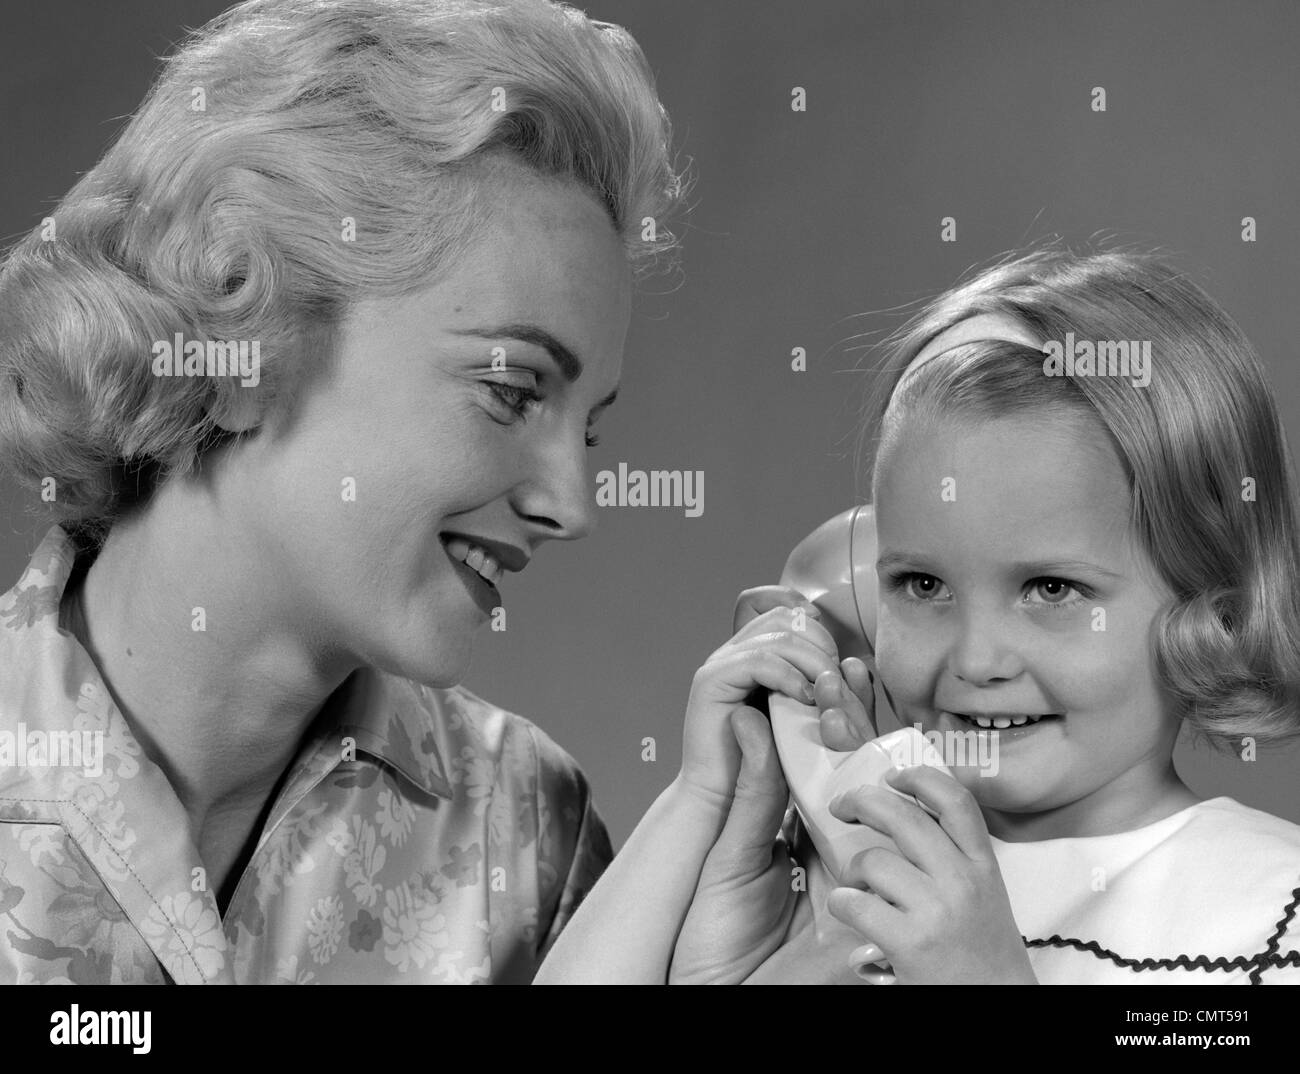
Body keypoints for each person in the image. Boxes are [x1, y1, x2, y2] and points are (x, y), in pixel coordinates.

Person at [0, 0, 683, 984]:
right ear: (246, 332)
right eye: (511, 389)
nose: (571, 505)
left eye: (590, 427)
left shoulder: (529, 835)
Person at [539, 247, 1300, 984]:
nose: (975, 660)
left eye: (1051, 589)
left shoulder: (1269, 914)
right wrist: (702, 795)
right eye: (924, 585)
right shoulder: (842, 877)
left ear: (1211, 605)